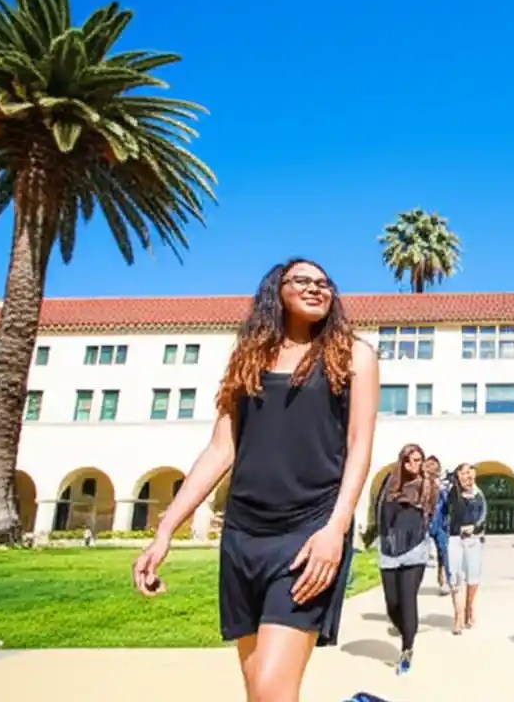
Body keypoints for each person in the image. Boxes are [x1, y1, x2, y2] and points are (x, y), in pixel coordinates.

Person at [132, 258, 378, 702]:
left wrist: (335, 530)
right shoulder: (248, 360)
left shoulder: (354, 355)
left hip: (309, 534)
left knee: (270, 693)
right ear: (275, 291)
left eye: (324, 283)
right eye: (302, 280)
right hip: (243, 538)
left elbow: (360, 446)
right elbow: (219, 449)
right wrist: (165, 531)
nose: (316, 288)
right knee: (258, 692)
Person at [376, 443, 438, 675]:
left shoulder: (427, 485)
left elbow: (430, 512)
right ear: (402, 461)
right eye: (410, 460)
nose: (415, 464)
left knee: (407, 598)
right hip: (389, 547)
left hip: (415, 547)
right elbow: (379, 509)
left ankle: (407, 649)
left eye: (419, 460)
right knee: (392, 603)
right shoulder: (389, 483)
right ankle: (407, 632)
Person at [445, 463, 488, 634]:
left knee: (472, 576)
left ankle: (469, 606)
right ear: (457, 476)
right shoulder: (451, 492)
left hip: (473, 540)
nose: (466, 476)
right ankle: (458, 615)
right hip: (454, 538)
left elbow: (483, 516)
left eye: (469, 473)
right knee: (455, 578)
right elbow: (443, 511)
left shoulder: (478, 495)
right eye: (462, 473)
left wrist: (475, 527)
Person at [424, 455, 452, 595]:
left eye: (434, 468)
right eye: (428, 467)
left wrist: (444, 489)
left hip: (440, 524)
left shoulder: (442, 487)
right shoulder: (421, 485)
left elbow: (448, 505)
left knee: (444, 553)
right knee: (421, 554)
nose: (431, 470)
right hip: (424, 525)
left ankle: (445, 580)